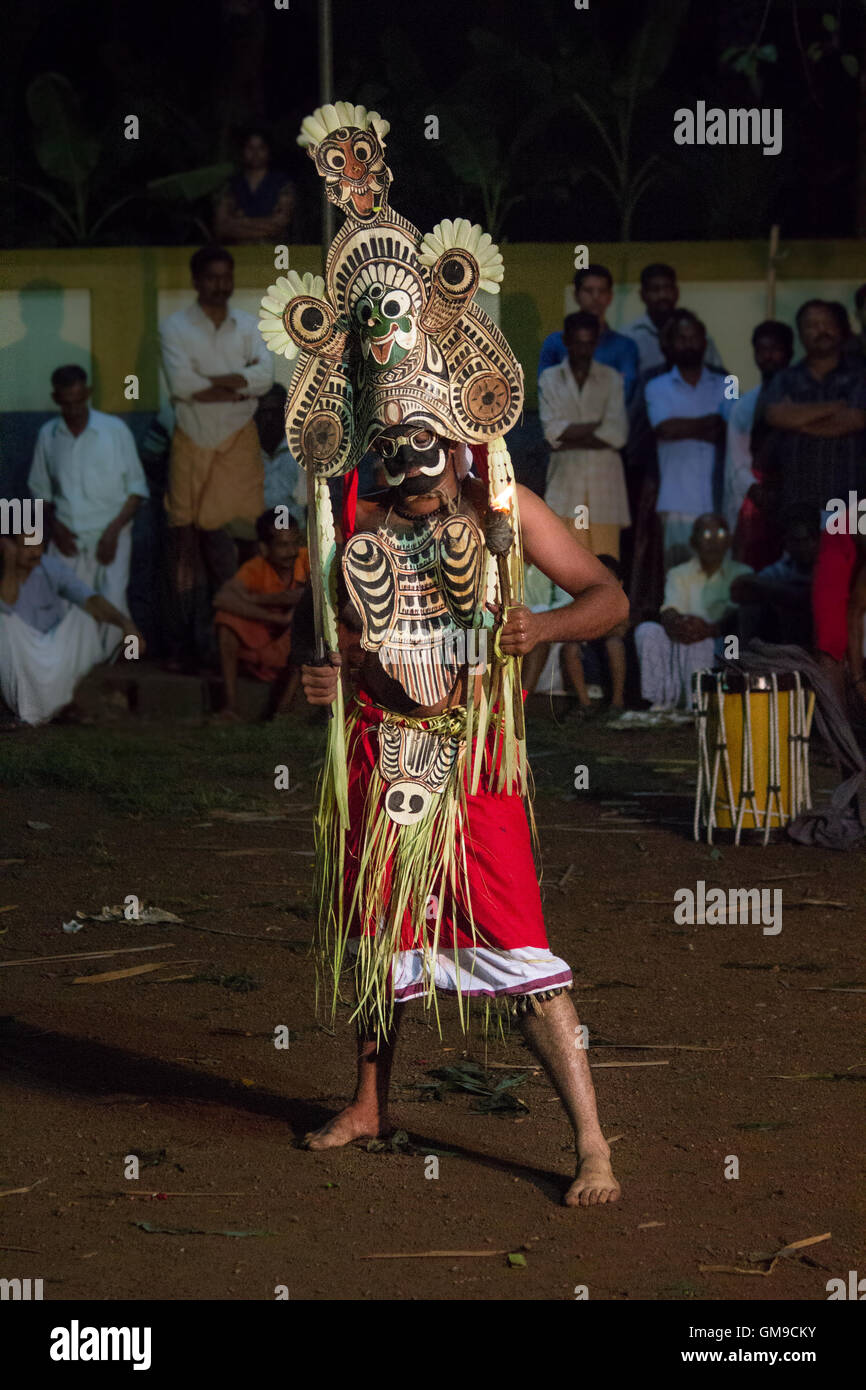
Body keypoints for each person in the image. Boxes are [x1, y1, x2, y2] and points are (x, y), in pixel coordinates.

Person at [260, 101, 628, 1207]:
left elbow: (609, 598)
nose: (416, 473)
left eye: (429, 456)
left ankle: (593, 1143)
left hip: (475, 757)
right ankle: (373, 1101)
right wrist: (326, 684)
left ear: (457, 440)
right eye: (396, 456)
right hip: (381, 746)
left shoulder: (510, 508)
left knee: (516, 948)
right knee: (382, 936)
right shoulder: (352, 515)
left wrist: (542, 628)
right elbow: (329, 646)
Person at [159, 245, 274, 668]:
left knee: (245, 544)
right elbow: (182, 385)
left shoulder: (247, 324)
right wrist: (238, 383)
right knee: (186, 546)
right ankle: (184, 648)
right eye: (211, 277)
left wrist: (211, 381)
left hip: (239, 441)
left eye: (226, 276)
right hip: (191, 439)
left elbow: (265, 379)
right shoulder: (174, 327)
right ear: (196, 281)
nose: (220, 284)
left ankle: (243, 646)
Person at [27, 366, 148, 658]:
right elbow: (40, 492)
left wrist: (113, 531)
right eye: (66, 402)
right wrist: (55, 528)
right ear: (56, 398)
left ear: (88, 394)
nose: (73, 409)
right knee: (65, 607)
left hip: (112, 536)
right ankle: (72, 674)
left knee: (112, 603)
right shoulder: (48, 435)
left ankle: (100, 671)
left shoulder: (114, 431)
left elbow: (136, 489)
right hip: (67, 537)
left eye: (79, 401)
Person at [0, 533, 143, 727]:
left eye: (38, 546)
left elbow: (90, 599)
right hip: (17, 661)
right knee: (3, 622)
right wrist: (9, 564)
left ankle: (71, 702)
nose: (35, 553)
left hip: (51, 655)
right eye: (26, 547)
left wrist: (127, 625)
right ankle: (19, 708)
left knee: (84, 618)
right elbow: (6, 606)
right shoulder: (3, 570)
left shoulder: (50, 568)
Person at [633, 514, 751, 714]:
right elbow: (670, 609)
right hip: (684, 636)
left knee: (705, 642)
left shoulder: (743, 573)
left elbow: (738, 616)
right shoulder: (679, 573)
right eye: (706, 534)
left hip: (722, 640)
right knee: (647, 631)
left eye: (720, 533)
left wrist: (708, 629)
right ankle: (660, 701)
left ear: (729, 540)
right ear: (693, 542)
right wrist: (679, 624)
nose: (713, 540)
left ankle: (697, 703)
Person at [759, 300, 866, 519]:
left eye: (827, 323)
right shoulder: (785, 379)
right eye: (812, 325)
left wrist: (799, 421)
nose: (821, 330)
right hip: (798, 505)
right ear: (800, 334)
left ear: (839, 328)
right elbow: (776, 416)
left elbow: (855, 419)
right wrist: (834, 407)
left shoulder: (861, 375)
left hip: (852, 505)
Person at [538, 311, 629, 559]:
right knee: (566, 565)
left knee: (608, 566)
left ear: (596, 342)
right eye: (577, 342)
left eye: (589, 343)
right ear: (566, 341)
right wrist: (597, 426)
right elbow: (551, 432)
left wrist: (569, 437)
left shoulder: (610, 379)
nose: (583, 350)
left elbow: (617, 435)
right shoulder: (550, 379)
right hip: (565, 486)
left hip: (605, 489)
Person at [644, 311, 730, 570]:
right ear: (669, 346)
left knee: (720, 581)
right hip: (676, 500)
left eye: (695, 337)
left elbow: (728, 430)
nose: (689, 343)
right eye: (682, 338)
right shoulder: (657, 386)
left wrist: (686, 425)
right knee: (678, 576)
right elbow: (666, 430)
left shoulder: (726, 383)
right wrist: (711, 422)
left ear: (705, 343)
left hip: (721, 500)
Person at [212, 509, 309, 721]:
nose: (292, 551)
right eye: (283, 545)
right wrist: (276, 618)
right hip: (264, 647)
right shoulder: (256, 567)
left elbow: (306, 594)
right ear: (264, 548)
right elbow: (222, 599)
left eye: (294, 543)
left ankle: (282, 714)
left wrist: (257, 600)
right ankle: (230, 706)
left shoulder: (305, 558)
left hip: (295, 650)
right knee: (226, 621)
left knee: (308, 623)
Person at [724, 321, 794, 569]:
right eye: (761, 350)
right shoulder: (745, 405)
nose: (768, 356)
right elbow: (737, 459)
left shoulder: (805, 399)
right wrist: (756, 490)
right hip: (758, 497)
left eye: (775, 349)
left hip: (798, 493)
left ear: (790, 352)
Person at [538, 264, 639, 400]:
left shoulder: (625, 346)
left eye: (602, 291)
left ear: (610, 297)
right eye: (589, 290)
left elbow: (624, 392)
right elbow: (546, 389)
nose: (596, 297)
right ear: (576, 295)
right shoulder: (556, 342)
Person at [730, 504, 818, 647]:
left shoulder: (826, 567)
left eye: (805, 540)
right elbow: (746, 587)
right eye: (794, 541)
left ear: (816, 540)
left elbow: (802, 596)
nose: (801, 547)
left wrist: (759, 583)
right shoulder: (786, 567)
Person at [622, 262, 724, 376]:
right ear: (642, 295)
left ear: (677, 292)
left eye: (668, 288)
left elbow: (719, 375)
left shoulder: (696, 335)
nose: (662, 295)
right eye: (655, 290)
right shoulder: (629, 336)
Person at [213, 128, 295, 246]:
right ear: (242, 151)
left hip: (274, 256)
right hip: (238, 256)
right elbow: (221, 228)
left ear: (268, 151)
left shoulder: (282, 184)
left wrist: (240, 223)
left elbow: (278, 226)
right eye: (250, 148)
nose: (255, 153)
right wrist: (264, 225)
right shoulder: (231, 185)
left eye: (261, 148)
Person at [255, 384, 306, 524]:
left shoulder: (301, 451)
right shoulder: (243, 454)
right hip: (256, 535)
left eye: (275, 412)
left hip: (295, 535)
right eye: (265, 412)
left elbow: (307, 503)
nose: (270, 419)